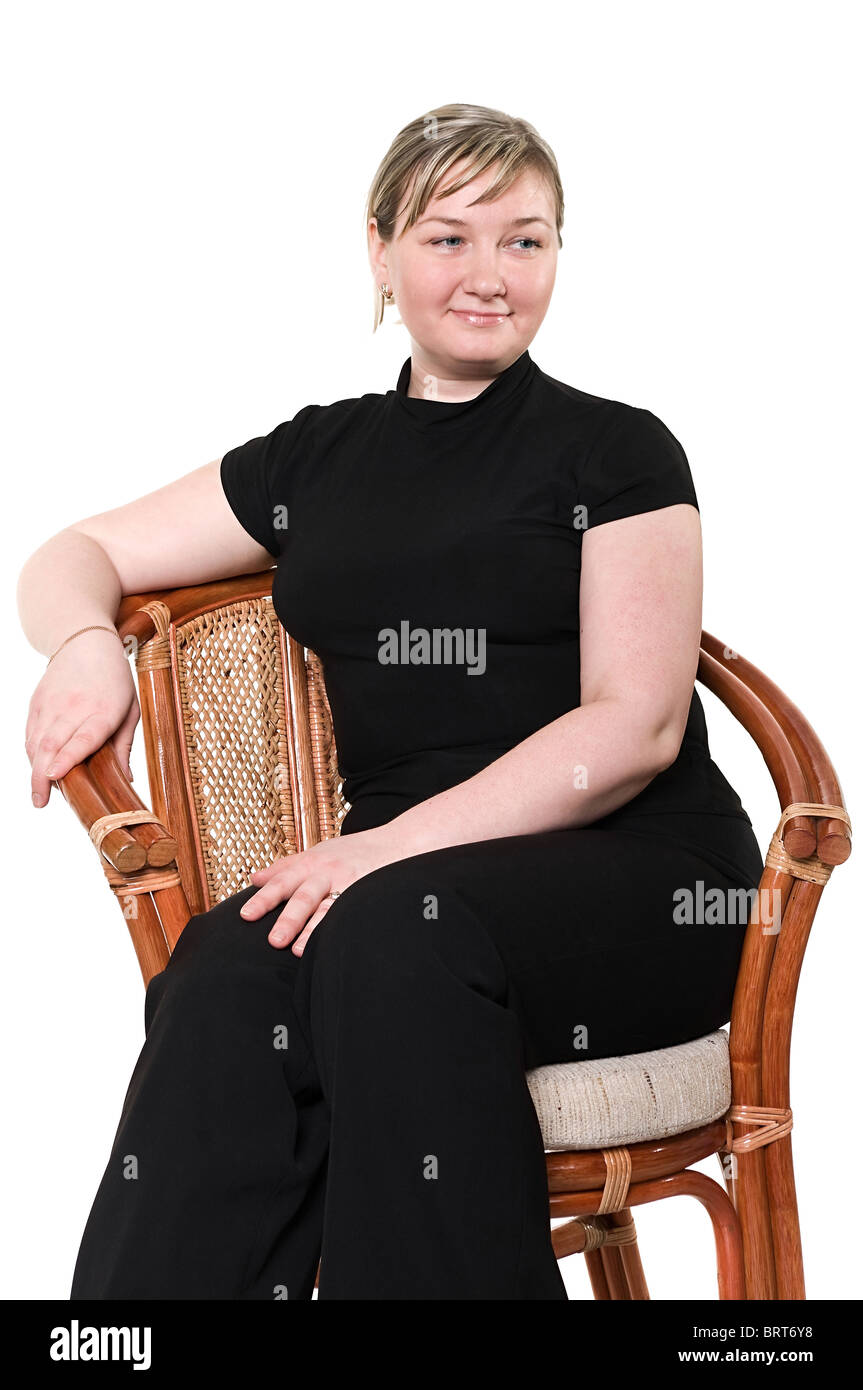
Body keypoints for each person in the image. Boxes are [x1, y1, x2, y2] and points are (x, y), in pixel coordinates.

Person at [20, 103, 764, 1300]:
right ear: (379, 250)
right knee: (219, 973)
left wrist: (378, 854)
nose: (489, 276)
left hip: (629, 871)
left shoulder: (617, 453)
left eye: (524, 241)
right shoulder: (315, 460)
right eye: (447, 237)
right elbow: (74, 551)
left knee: (387, 933)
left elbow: (633, 730)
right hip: (402, 890)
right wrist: (85, 644)